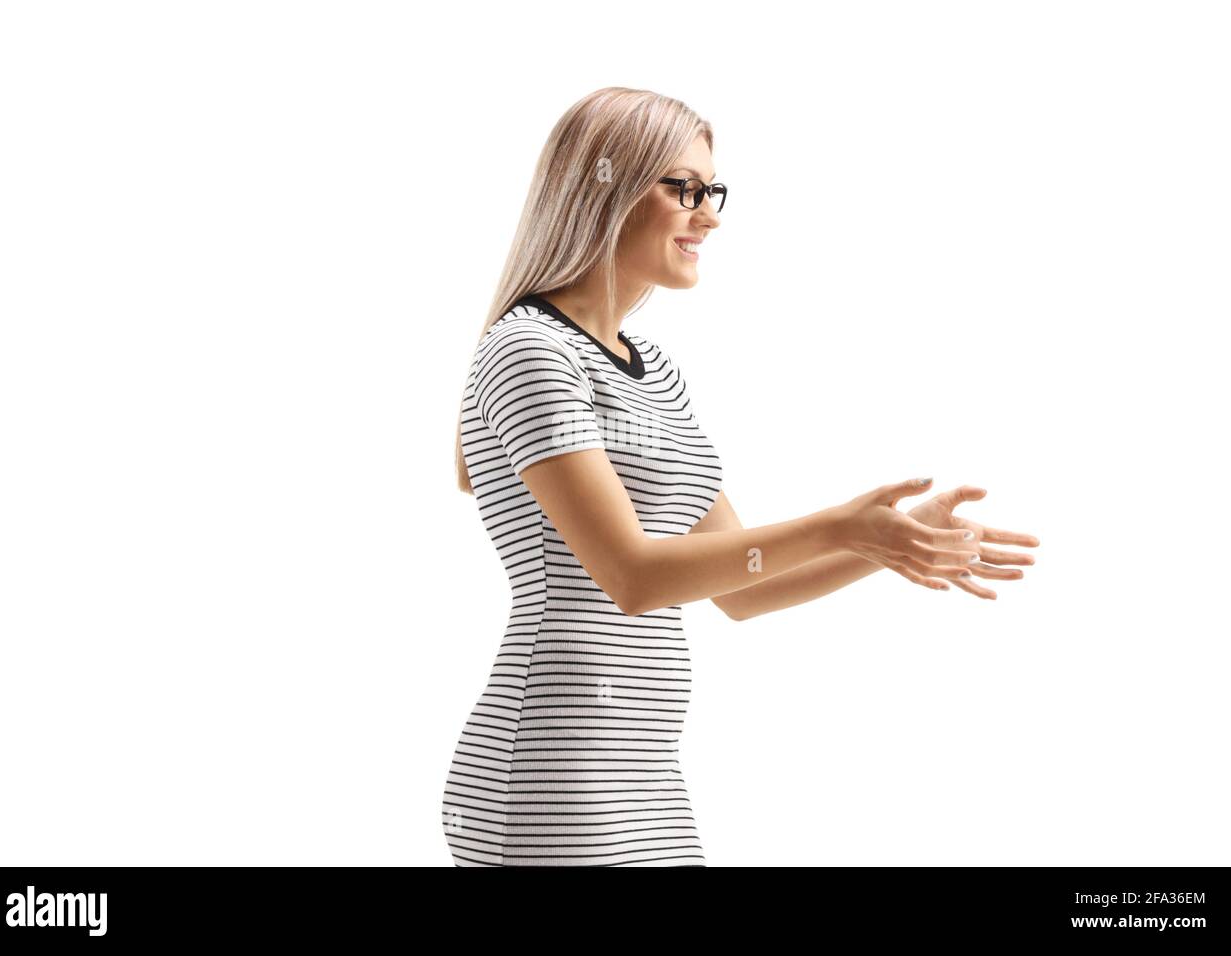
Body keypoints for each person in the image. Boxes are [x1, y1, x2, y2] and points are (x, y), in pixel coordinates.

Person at [441, 86, 1040, 867]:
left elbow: (744, 587)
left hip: (644, 771)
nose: (709, 217)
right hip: (555, 769)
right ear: (604, 186)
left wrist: (884, 544)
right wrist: (840, 524)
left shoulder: (655, 371)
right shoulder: (530, 350)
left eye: (711, 192)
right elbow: (632, 577)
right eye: (683, 189)